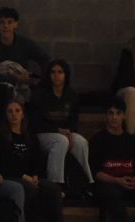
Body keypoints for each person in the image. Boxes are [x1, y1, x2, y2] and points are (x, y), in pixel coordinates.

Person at [0, 98, 62, 222]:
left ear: (23, 114)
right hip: (11, 176)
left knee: (52, 188)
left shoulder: (29, 135)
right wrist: (25, 176)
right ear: (5, 115)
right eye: (10, 111)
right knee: (27, 188)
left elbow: (37, 159)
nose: (14, 115)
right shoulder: (0, 137)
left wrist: (36, 175)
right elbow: (3, 163)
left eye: (17, 111)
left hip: (30, 176)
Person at [31, 59, 94, 190]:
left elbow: (73, 121)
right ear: (48, 75)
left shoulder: (72, 95)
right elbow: (35, 123)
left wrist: (69, 133)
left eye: (60, 72)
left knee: (81, 142)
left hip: (64, 133)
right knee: (61, 141)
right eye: (53, 72)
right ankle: (55, 185)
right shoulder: (40, 94)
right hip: (42, 134)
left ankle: (86, 183)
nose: (56, 75)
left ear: (66, 75)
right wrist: (59, 131)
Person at [0, 7, 50, 101]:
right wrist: (16, 79)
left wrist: (40, 80)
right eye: (2, 22)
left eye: (9, 22)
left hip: (24, 88)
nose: (6, 26)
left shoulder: (25, 43)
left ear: (16, 24)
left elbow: (44, 59)